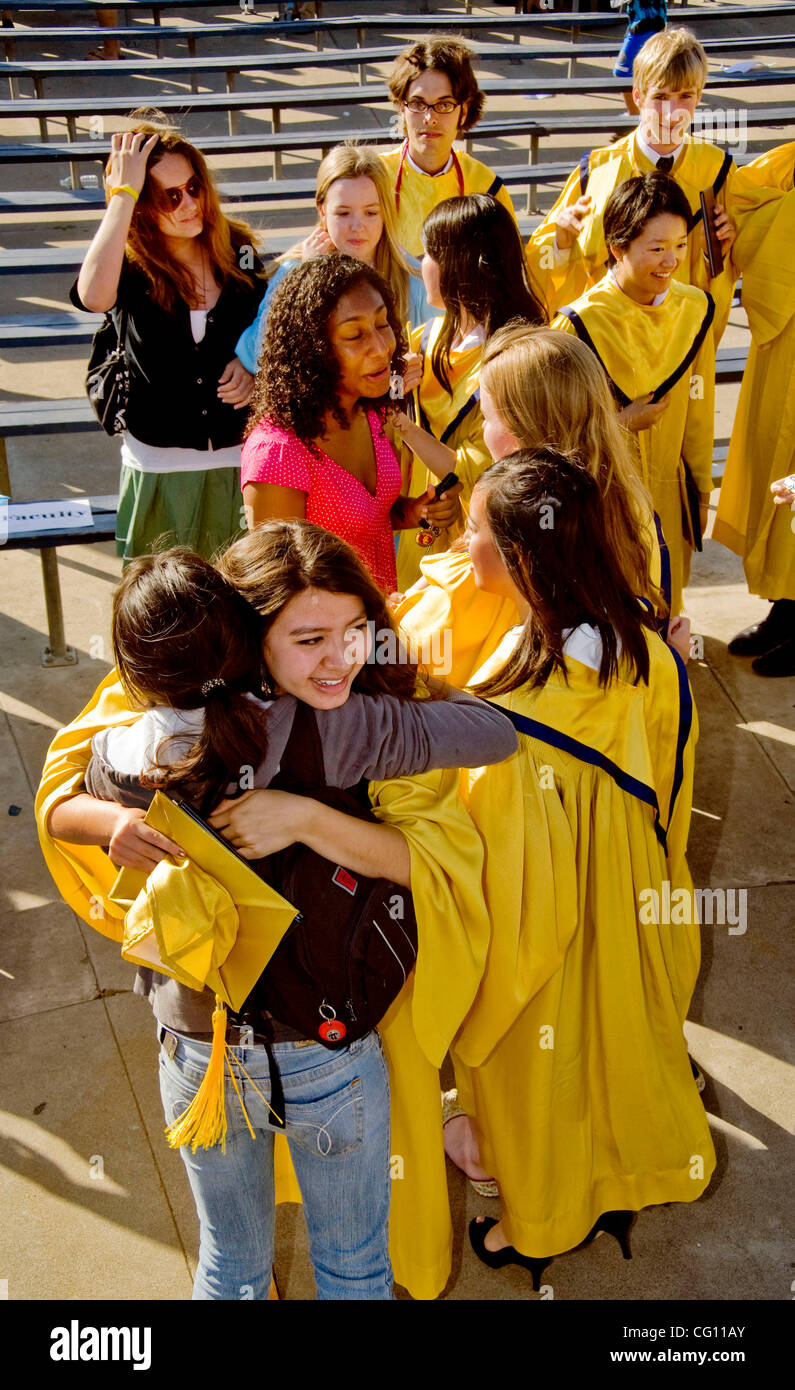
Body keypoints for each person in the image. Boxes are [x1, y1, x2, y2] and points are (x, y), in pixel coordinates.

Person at [38, 525, 518, 1301]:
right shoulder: (345, 730)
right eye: (310, 639)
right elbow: (491, 739)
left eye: (357, 631)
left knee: (229, 1265)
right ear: (245, 638)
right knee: (355, 1264)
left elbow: (62, 800)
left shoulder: (125, 749)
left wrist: (122, 826)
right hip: (326, 1043)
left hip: (198, 1044)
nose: (343, 658)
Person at [452, 450, 715, 1281]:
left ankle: (537, 1223)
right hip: (633, 896)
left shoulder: (507, 710)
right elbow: (675, 778)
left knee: (540, 1068)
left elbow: (485, 857)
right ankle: (624, 1177)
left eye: (475, 531)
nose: (463, 544)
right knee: (619, 1043)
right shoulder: (645, 641)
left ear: (523, 558)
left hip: (546, 920)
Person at [395, 323, 667, 692]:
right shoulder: (630, 509)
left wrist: (399, 614)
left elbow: (423, 654)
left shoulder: (507, 538)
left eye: (487, 419)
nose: (485, 432)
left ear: (518, 433)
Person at [72, 118, 265, 563]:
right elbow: (93, 296)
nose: (189, 204)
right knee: (166, 619)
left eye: (194, 187)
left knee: (243, 612)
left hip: (242, 463)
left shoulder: (237, 250)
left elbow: (269, 325)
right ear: (140, 204)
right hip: (160, 469)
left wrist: (255, 366)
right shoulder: (127, 263)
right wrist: (122, 195)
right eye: (169, 197)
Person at [240, 255, 456, 594]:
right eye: (355, 335)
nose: (382, 347)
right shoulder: (277, 452)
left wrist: (412, 512)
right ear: (311, 351)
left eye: (383, 324)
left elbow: (368, 518)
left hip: (378, 631)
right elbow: (277, 585)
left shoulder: (371, 412)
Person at [554, 172, 715, 615]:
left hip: (667, 487)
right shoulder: (578, 324)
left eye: (680, 245)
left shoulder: (695, 308)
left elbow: (699, 409)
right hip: (601, 498)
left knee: (664, 605)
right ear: (617, 247)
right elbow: (555, 436)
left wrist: (699, 488)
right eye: (657, 248)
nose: (670, 261)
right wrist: (621, 424)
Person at [525, 28, 738, 336]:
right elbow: (541, 265)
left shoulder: (717, 171)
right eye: (661, 97)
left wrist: (723, 252)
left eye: (686, 96)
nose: (673, 112)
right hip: (611, 336)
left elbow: (726, 274)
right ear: (637, 96)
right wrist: (561, 241)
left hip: (681, 337)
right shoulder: (598, 170)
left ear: (700, 96)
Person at [390, 194, 547, 591]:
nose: (420, 265)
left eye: (429, 254)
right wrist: (393, 390)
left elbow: (485, 467)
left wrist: (404, 425)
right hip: (422, 520)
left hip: (483, 534)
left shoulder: (515, 356)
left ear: (460, 264)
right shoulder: (425, 340)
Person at [235, 144, 431, 376]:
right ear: (322, 211)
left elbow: (437, 360)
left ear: (385, 212)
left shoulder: (411, 276)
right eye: (343, 213)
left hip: (393, 406)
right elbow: (257, 356)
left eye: (370, 213)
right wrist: (306, 284)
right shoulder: (296, 269)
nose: (357, 227)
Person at [713, 143, 795, 677]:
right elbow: (738, 198)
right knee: (778, 469)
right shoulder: (790, 160)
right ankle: (786, 607)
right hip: (784, 342)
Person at [380, 39, 517, 261]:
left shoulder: (486, 188)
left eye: (444, 105)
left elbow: (509, 272)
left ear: (463, 112)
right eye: (418, 103)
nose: (429, 118)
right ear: (401, 109)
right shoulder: (373, 180)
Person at [612, 0, 667, 118]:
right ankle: (643, 114)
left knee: (621, 73)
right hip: (651, 21)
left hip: (644, 24)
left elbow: (614, 3)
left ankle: (634, 116)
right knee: (647, 72)